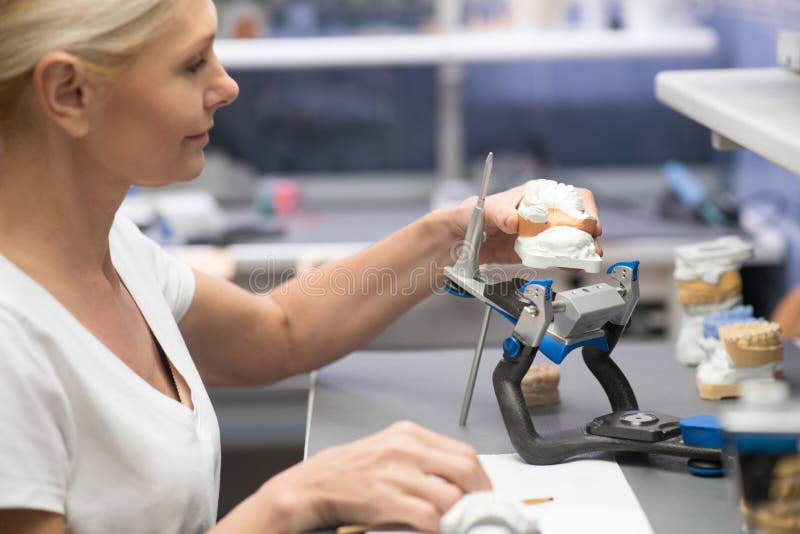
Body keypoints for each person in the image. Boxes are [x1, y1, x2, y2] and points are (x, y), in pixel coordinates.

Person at [0, 1, 602, 532]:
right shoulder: (12, 340)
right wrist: (292, 501)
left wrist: (459, 234)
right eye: (192, 63)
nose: (227, 85)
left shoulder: (113, 249)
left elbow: (278, 333)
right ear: (69, 93)